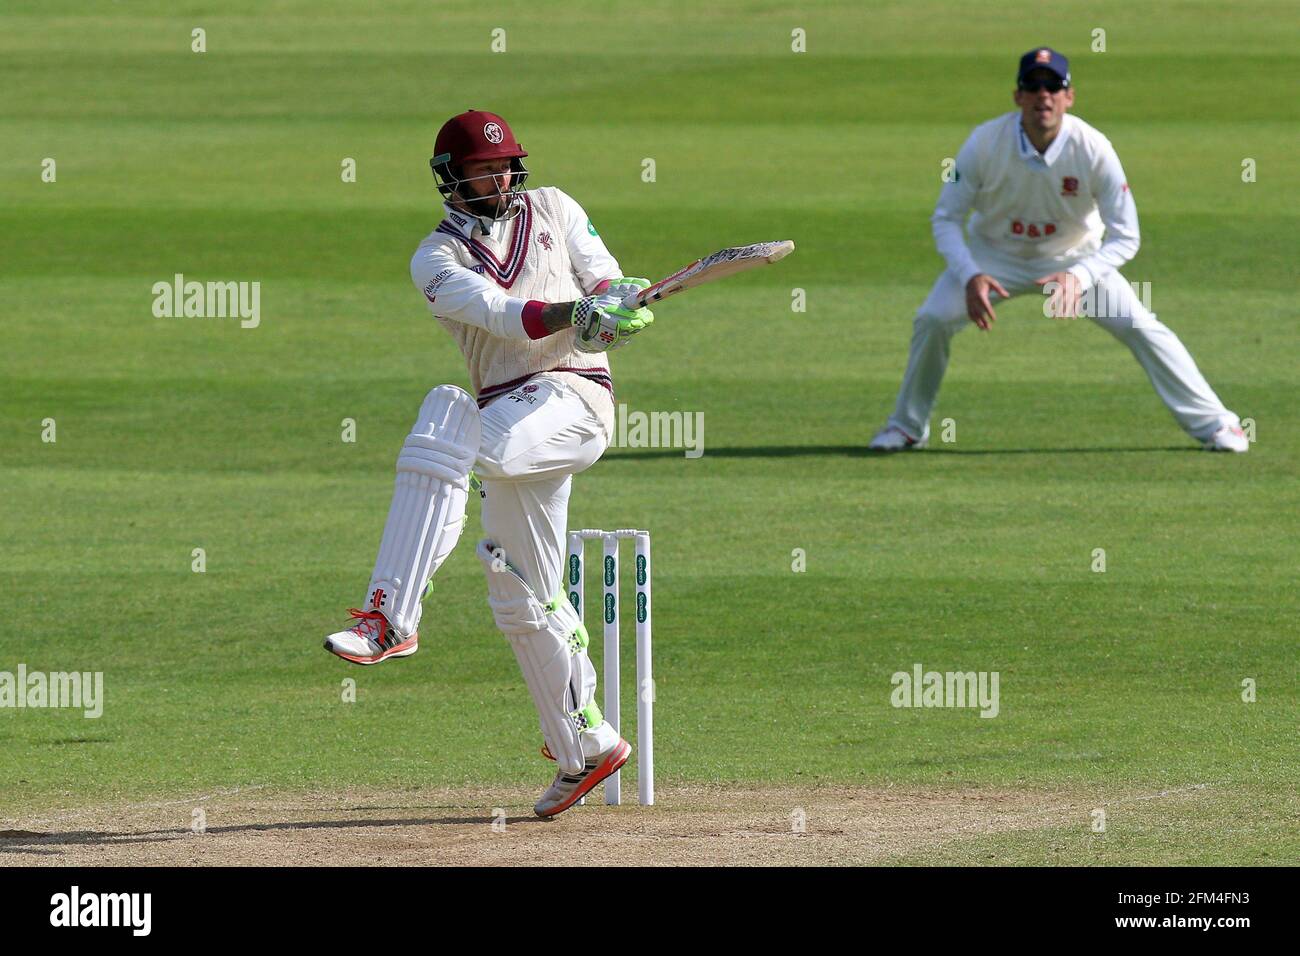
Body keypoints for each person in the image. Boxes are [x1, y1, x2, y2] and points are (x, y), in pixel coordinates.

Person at [321, 110, 654, 817]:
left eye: (504, 167)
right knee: (516, 587)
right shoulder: (434, 260)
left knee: (449, 416)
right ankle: (585, 744)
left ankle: (389, 618)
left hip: (572, 403)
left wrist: (616, 310)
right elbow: (503, 314)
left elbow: (607, 281)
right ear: (451, 180)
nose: (497, 179)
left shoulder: (556, 208)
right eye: (481, 171)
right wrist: (576, 311)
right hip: (506, 416)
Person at [868, 47, 1247, 453]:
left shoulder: (1094, 147)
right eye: (1033, 86)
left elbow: (1126, 234)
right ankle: (908, 428)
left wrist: (1079, 276)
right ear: (1018, 96)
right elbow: (945, 218)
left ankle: (1218, 425)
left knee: (1140, 326)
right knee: (932, 319)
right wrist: (970, 274)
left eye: (1053, 87)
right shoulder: (983, 142)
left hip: (1074, 259)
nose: (1042, 96)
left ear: (1069, 97)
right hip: (993, 257)